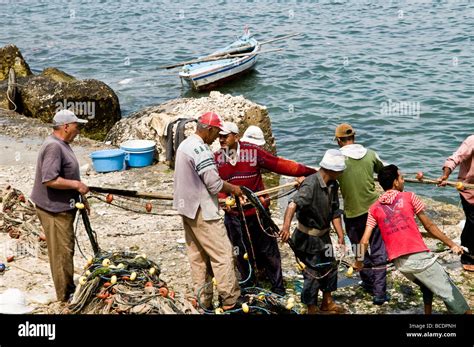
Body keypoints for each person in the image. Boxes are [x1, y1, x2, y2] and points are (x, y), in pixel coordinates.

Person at [215, 122, 316, 295]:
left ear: (236, 137)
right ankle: (249, 287)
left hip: (258, 213)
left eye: (226, 136)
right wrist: (223, 200)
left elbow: (279, 164)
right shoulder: (216, 159)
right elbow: (214, 185)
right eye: (220, 136)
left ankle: (278, 288)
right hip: (233, 216)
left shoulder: (252, 153)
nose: (221, 139)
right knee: (241, 252)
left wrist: (309, 172)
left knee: (269, 251)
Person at [355, 165, 471, 314]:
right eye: (402, 178)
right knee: (454, 297)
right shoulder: (409, 197)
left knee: (427, 285)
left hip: (400, 264)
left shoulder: (374, 208)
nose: (403, 181)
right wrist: (453, 244)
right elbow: (429, 226)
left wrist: (358, 262)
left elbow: (364, 241)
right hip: (419, 259)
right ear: (396, 182)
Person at [173, 112, 243, 311]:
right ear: (209, 129)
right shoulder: (201, 149)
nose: (217, 138)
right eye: (216, 133)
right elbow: (213, 184)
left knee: (198, 256)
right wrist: (233, 189)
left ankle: (202, 299)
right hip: (203, 210)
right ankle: (230, 300)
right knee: (222, 254)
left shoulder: (185, 145)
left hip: (186, 208)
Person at [31, 109, 89, 302]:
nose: (78, 129)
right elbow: (49, 179)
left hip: (64, 206)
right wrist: (76, 185)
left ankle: (68, 288)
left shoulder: (62, 144)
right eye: (76, 126)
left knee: (66, 249)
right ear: (65, 127)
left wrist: (81, 198)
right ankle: (64, 296)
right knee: (61, 253)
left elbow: (67, 174)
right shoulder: (54, 147)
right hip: (53, 209)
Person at [280, 149, 346, 314]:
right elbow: (292, 204)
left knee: (330, 267)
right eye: (340, 170)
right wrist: (286, 227)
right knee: (313, 273)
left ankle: (327, 302)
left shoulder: (333, 184)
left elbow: (335, 212)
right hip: (307, 239)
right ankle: (311, 308)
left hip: (323, 237)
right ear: (332, 170)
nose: (342, 173)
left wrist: (340, 235)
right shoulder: (311, 184)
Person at [335, 123, 389, 305]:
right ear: (354, 137)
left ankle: (368, 283)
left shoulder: (337, 158)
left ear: (338, 140)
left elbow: (324, 177)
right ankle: (380, 293)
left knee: (359, 249)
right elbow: (386, 172)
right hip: (375, 210)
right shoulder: (371, 155)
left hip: (352, 213)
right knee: (378, 250)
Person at [438, 135, 474, 272]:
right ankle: (468, 256)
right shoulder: (472, 141)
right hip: (469, 192)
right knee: (472, 223)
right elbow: (454, 159)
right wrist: (445, 175)